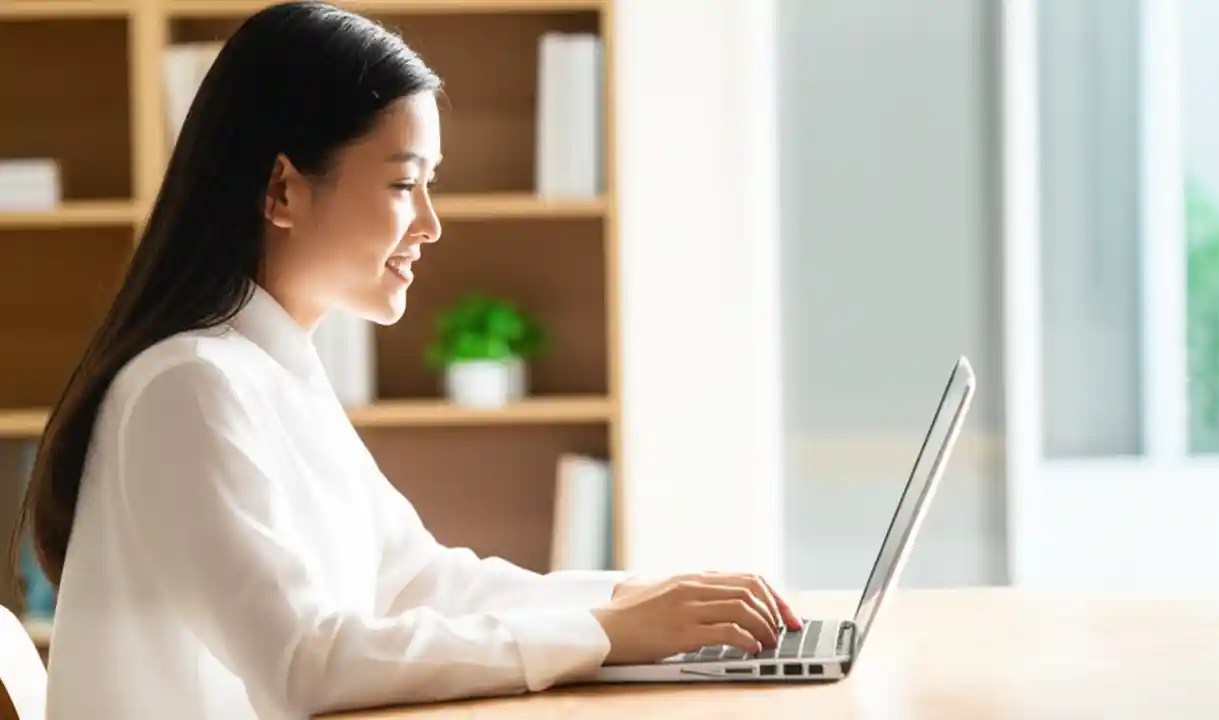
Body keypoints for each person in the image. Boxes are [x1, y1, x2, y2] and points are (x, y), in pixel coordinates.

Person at [14, 3, 801, 719]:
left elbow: (421, 582)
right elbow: (306, 663)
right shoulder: (188, 386)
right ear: (283, 190)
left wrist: (640, 600)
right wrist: (604, 631)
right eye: (403, 183)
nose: (429, 224)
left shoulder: (268, 369)